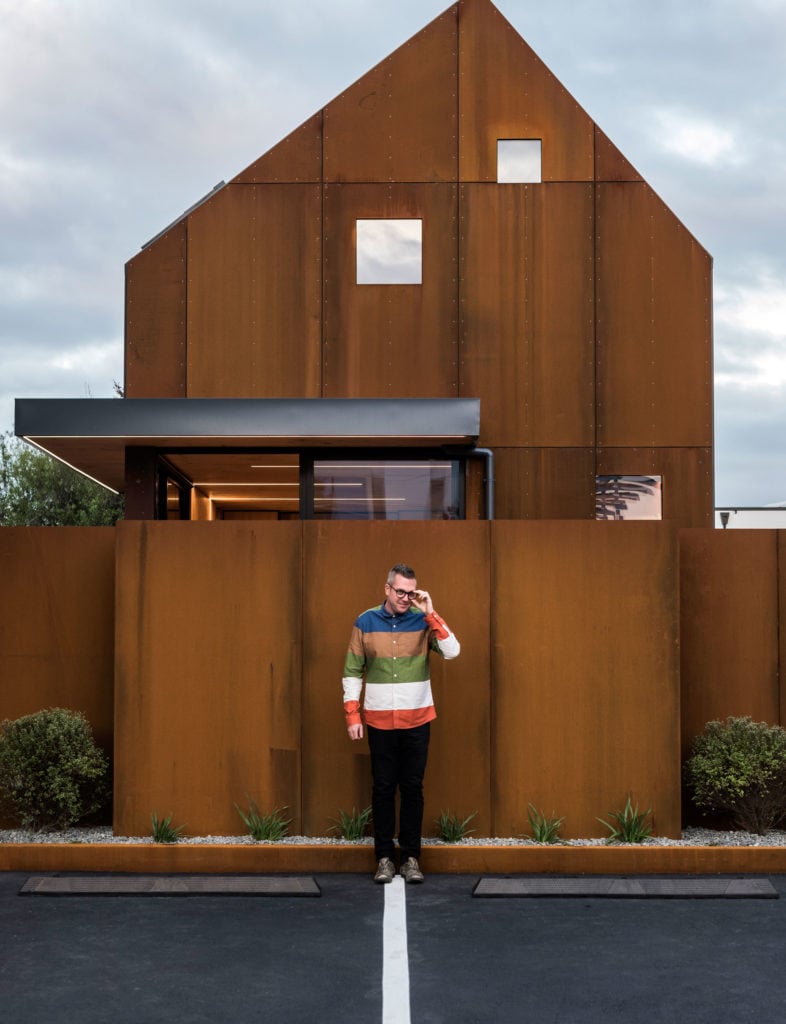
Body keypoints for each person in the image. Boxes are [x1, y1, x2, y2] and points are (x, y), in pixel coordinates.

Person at [342, 563, 461, 884]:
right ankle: (383, 858)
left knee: (412, 788)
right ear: (387, 589)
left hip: (417, 718)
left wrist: (431, 613)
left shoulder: (423, 621)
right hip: (379, 721)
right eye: (401, 592)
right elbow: (353, 670)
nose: (406, 598)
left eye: (411, 592)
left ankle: (410, 858)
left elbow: (452, 652)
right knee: (382, 788)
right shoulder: (365, 622)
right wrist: (353, 714)